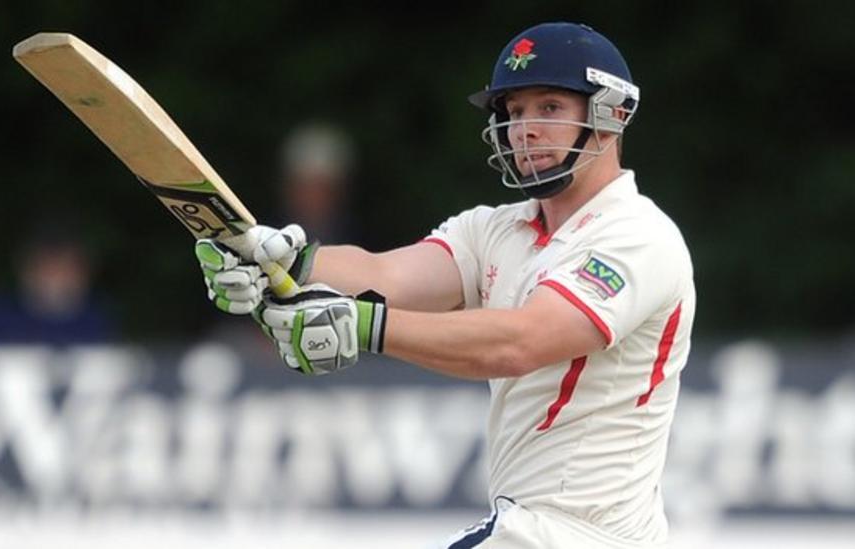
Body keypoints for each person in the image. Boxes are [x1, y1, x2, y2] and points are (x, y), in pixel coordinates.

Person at [196, 22, 695, 548]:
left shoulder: (637, 235)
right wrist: (277, 261)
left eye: (549, 108)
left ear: (609, 115)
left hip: (584, 535)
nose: (525, 129)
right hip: (532, 529)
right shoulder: (496, 228)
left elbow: (519, 342)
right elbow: (383, 275)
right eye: (516, 111)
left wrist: (361, 326)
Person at [0, 228, 114, 345]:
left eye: (68, 267)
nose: (59, 276)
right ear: (29, 271)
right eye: (49, 266)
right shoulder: (1, 315)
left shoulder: (98, 316)